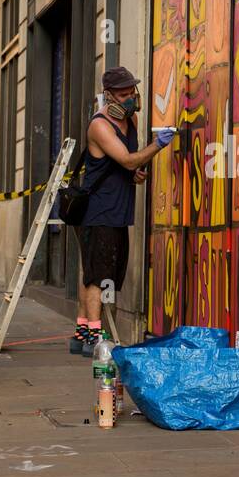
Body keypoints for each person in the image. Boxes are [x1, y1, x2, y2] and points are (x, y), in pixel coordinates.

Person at [71, 66, 175, 355]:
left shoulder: (132, 118)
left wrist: (136, 175)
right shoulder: (100, 125)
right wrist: (157, 145)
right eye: (123, 93)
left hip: (118, 210)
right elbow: (128, 160)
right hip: (97, 211)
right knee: (97, 274)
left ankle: (81, 331)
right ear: (109, 95)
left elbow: (126, 166)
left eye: (132, 92)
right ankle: (94, 335)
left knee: (100, 271)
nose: (130, 98)